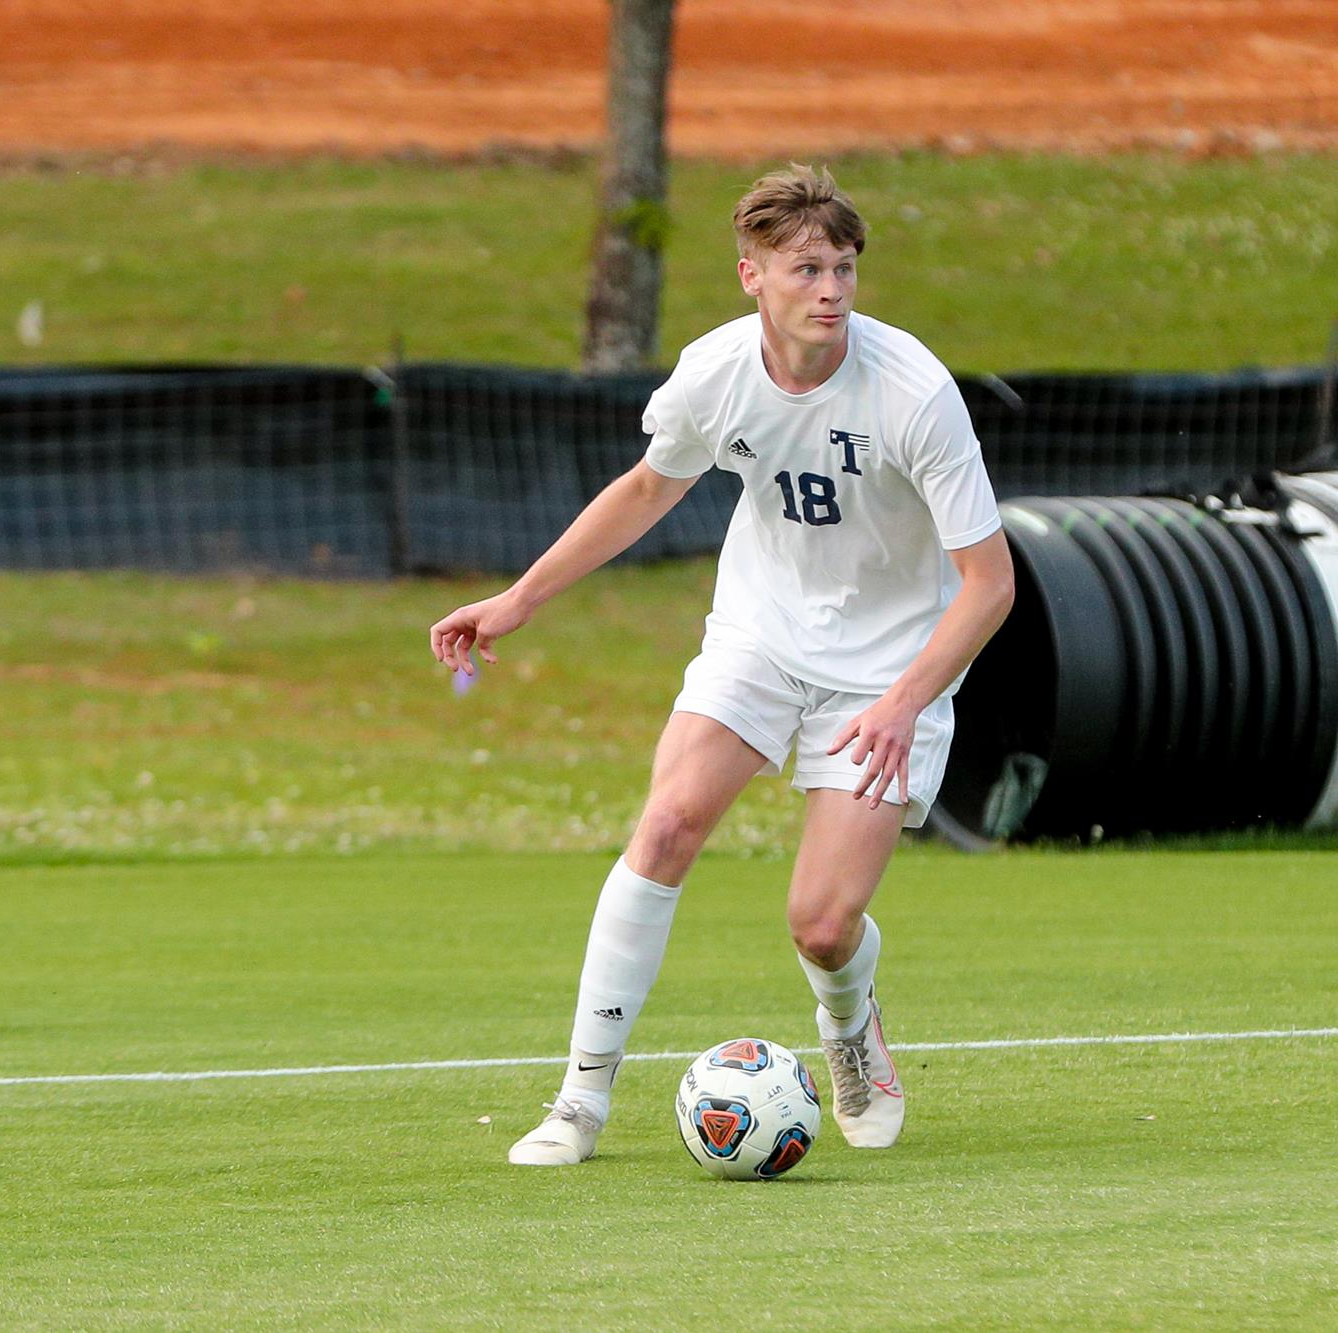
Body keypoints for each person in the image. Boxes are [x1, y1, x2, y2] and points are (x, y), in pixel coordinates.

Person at [428, 164, 1014, 1166]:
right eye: (806, 269)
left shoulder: (912, 390)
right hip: (760, 635)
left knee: (820, 924)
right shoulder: (714, 372)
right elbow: (645, 490)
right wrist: (518, 599)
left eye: (843, 268)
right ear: (752, 275)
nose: (830, 290)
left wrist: (903, 702)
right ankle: (578, 1101)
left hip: (886, 671)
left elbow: (989, 583)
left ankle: (850, 1026)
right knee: (664, 825)